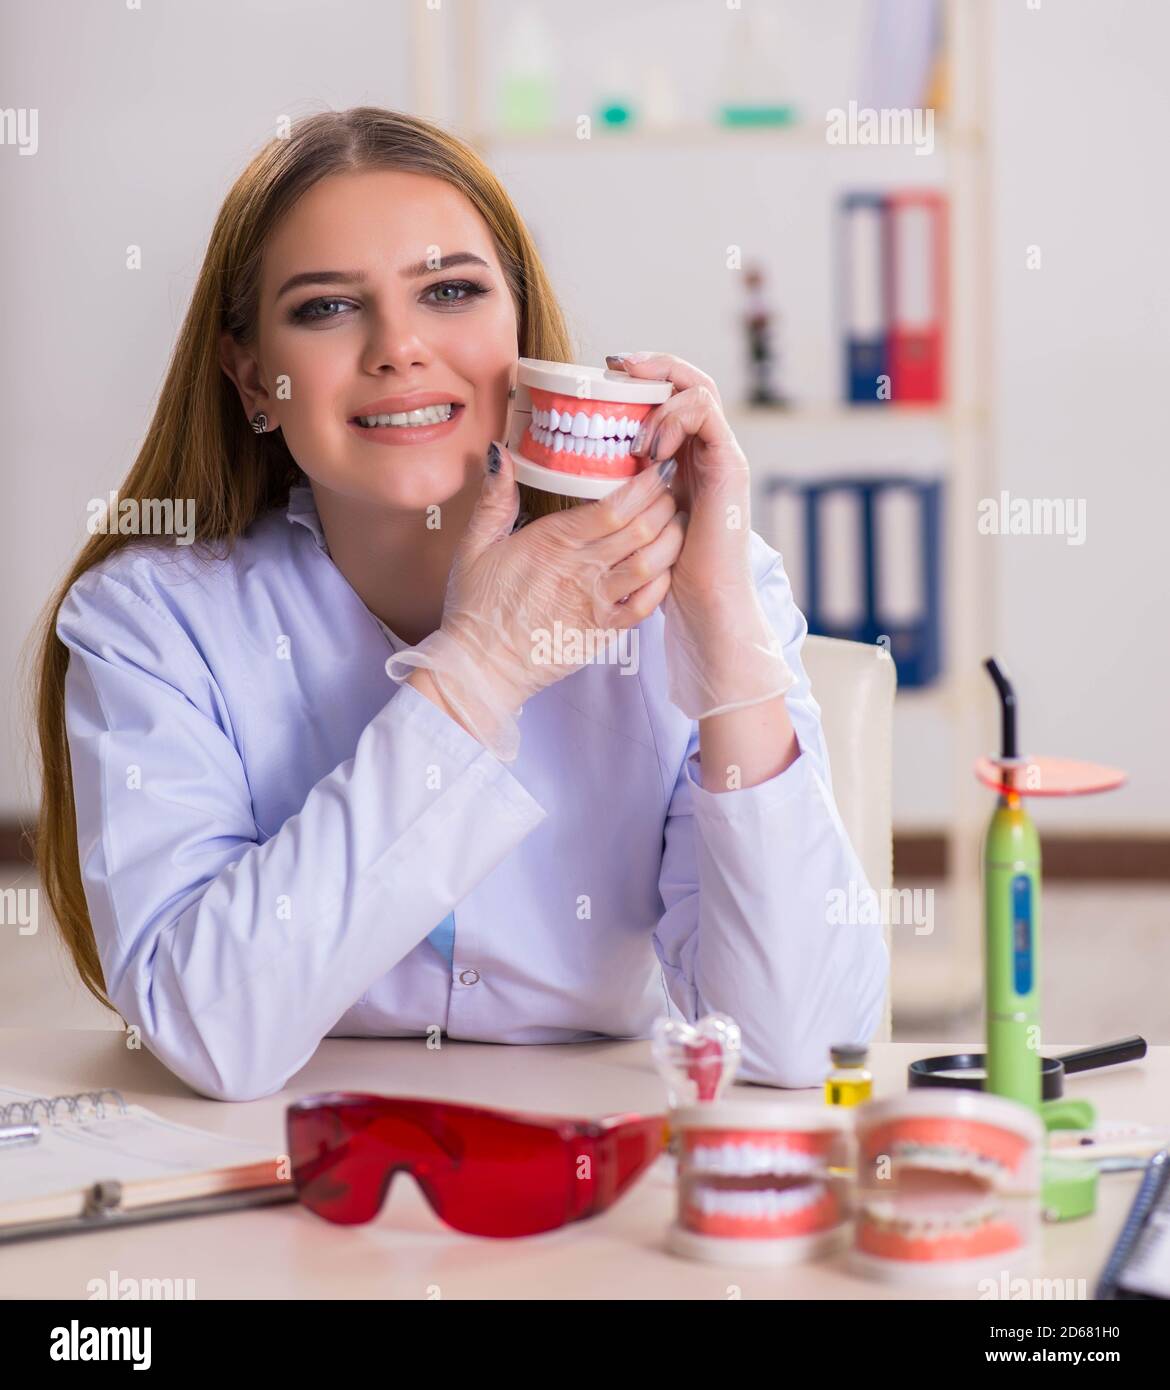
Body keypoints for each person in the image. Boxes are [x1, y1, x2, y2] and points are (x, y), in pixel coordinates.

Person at [31, 108, 887, 1103]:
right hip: (291, 1169)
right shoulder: (147, 621)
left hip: (595, 1164)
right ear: (249, 376)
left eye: (450, 291)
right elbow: (211, 1030)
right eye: (325, 308)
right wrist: (480, 667)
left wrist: (726, 644)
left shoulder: (697, 589)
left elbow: (802, 1046)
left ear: (520, 329)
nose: (398, 347)